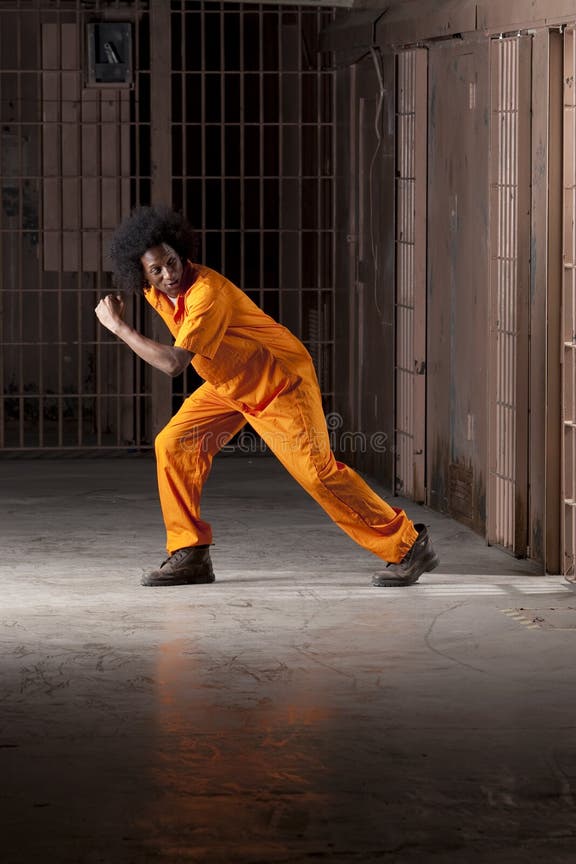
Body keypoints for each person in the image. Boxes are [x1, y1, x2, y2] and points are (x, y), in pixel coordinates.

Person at [95, 206, 439, 588]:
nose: (168, 275)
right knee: (174, 445)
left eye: (172, 263)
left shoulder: (207, 293)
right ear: (141, 273)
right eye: (155, 270)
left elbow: (174, 363)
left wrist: (119, 328)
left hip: (280, 382)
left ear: (182, 253)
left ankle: (408, 546)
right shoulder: (154, 290)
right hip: (230, 383)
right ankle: (190, 553)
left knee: (317, 473)